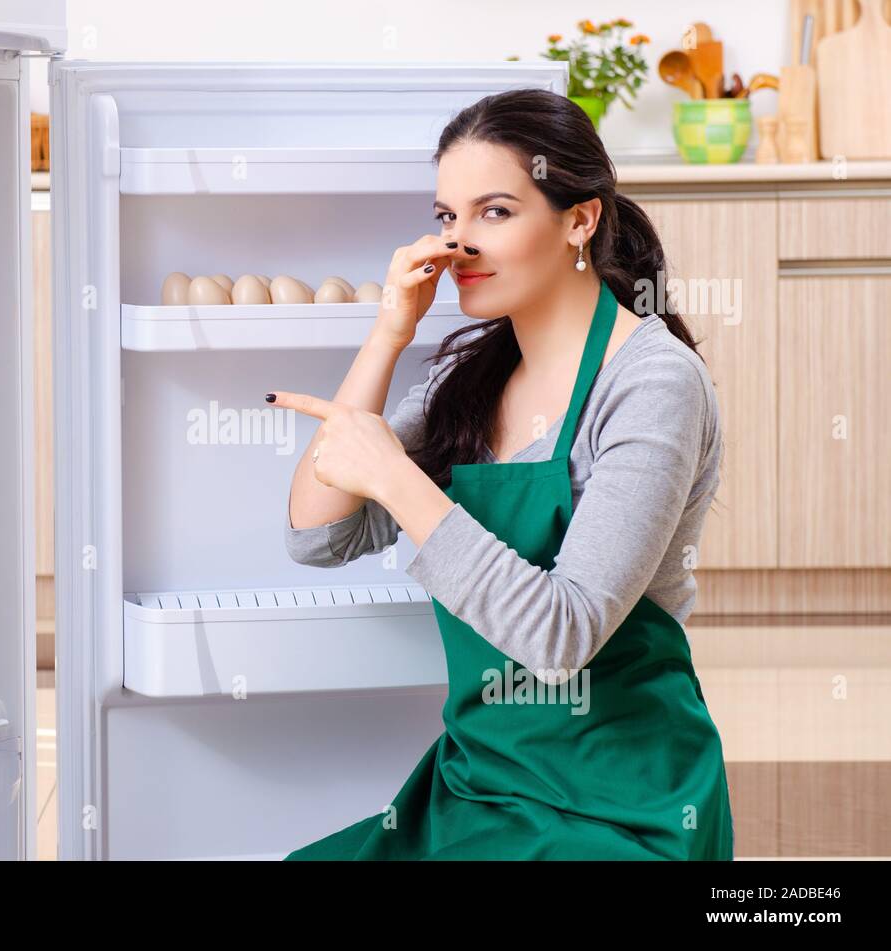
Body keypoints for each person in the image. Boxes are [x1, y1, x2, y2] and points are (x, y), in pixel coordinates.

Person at [270, 88, 734, 860]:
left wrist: (398, 476)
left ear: (579, 220)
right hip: (483, 782)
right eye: (447, 216)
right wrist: (388, 333)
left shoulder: (652, 383)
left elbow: (563, 633)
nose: (459, 245)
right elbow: (318, 537)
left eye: (495, 212)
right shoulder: (472, 381)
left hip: (621, 803)